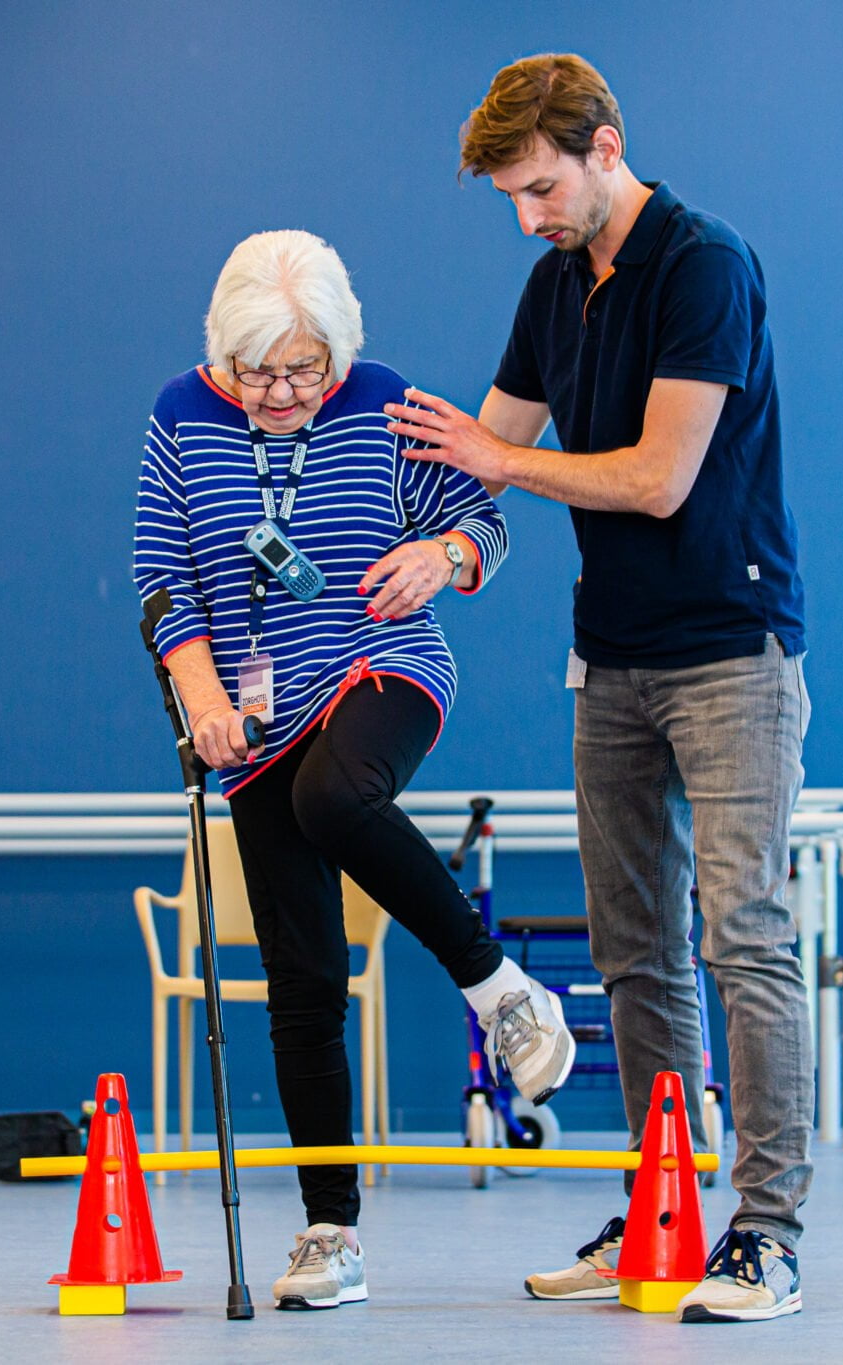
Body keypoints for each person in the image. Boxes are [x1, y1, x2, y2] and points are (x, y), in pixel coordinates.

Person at [386, 54, 813, 1323]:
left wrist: (496, 471)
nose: (527, 216)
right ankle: (662, 1208)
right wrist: (442, 543)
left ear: (603, 147)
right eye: (511, 199)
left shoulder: (704, 266)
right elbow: (479, 453)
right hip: (609, 659)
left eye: (537, 188)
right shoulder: (550, 282)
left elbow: (658, 477)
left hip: (732, 651)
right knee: (635, 955)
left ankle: (767, 1234)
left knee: (740, 935)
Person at [133, 229, 576, 1312]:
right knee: (302, 976)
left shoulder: (382, 405)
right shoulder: (179, 419)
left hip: (383, 666)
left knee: (338, 796)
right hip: (249, 714)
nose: (282, 393)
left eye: (304, 370)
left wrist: (447, 557)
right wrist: (198, 700)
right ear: (220, 354)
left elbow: (482, 514)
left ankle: (497, 987)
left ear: (339, 353)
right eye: (258, 372)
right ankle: (330, 1230)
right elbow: (161, 580)